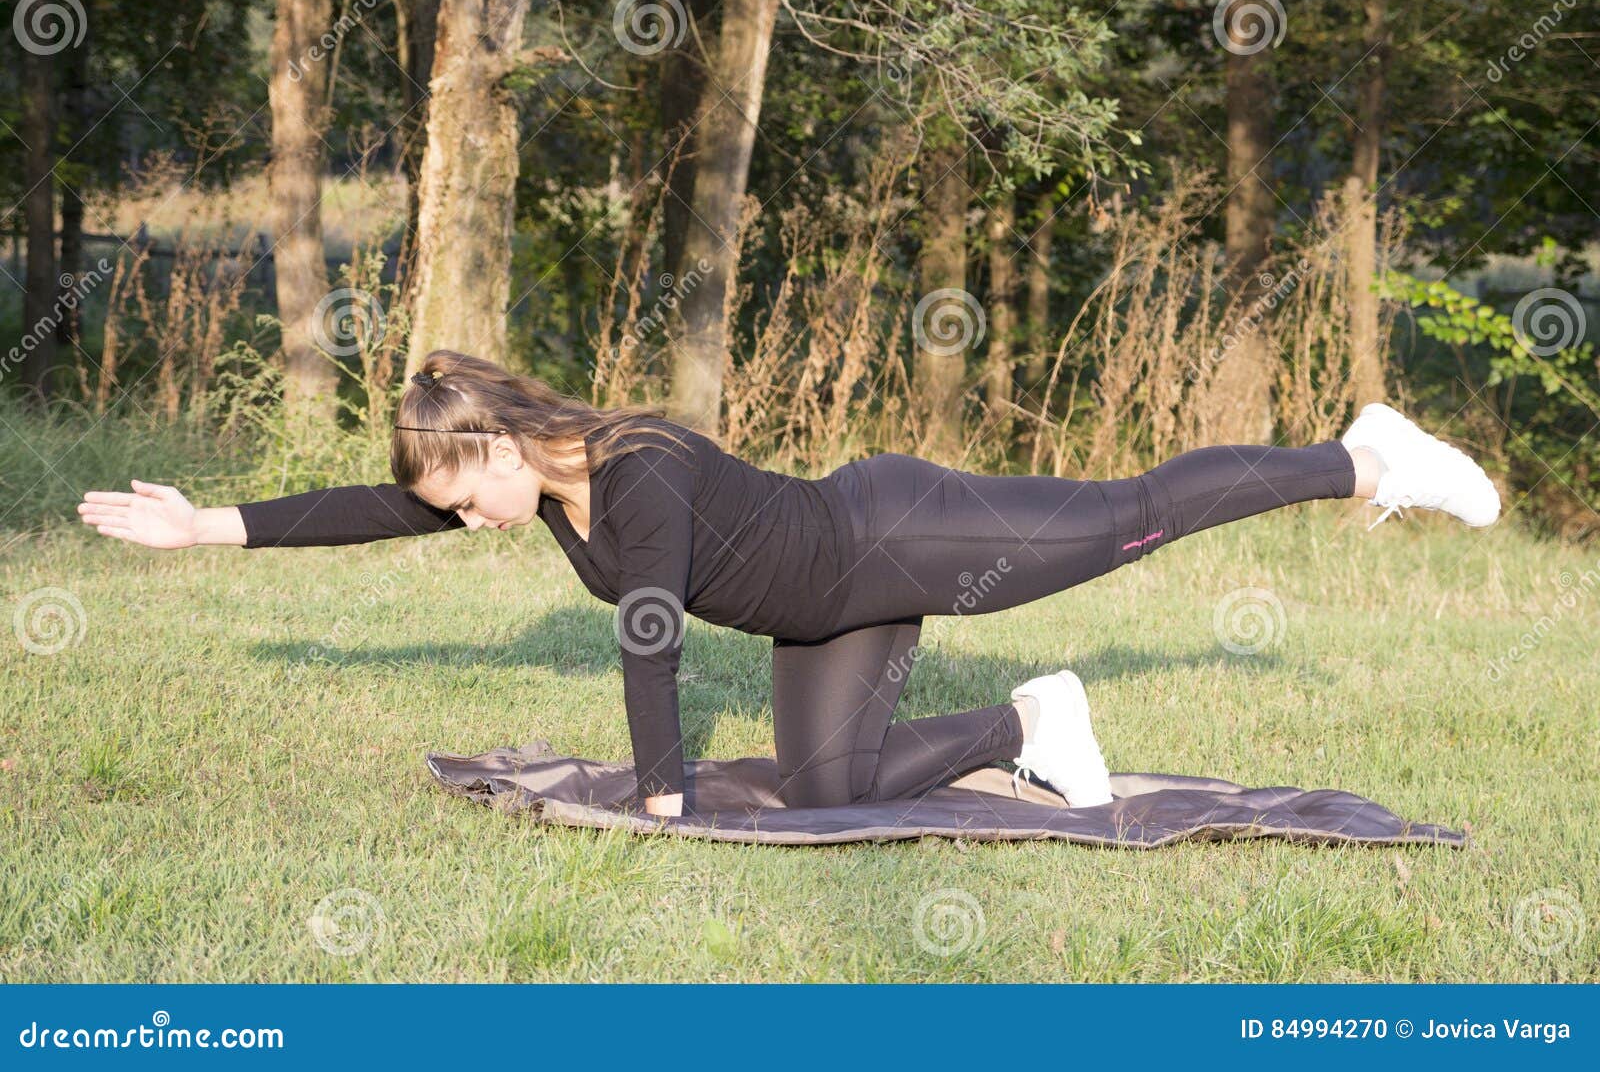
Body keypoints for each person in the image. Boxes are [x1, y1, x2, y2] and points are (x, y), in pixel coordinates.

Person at [76, 350, 1500, 819]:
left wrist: (666, 783)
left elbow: (650, 627)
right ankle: (1031, 726)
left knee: (1128, 517)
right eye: (455, 503)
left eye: (465, 488)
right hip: (836, 605)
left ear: (500, 442)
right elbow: (370, 510)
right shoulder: (549, 486)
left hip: (901, 533)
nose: (462, 515)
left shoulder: (634, 467)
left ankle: (1357, 454)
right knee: (830, 787)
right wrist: (207, 525)